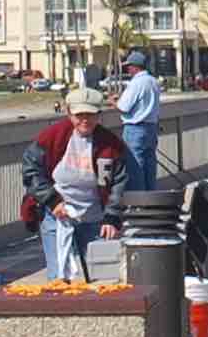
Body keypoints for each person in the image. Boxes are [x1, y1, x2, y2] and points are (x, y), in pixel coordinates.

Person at [24, 86, 129, 279]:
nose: (85, 120)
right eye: (79, 114)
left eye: (90, 114)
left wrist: (112, 217)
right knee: (60, 276)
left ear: (99, 115)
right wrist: (53, 201)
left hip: (95, 217)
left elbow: (119, 183)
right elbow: (32, 171)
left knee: (100, 277)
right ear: (68, 113)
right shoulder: (51, 137)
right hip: (58, 215)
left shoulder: (111, 144)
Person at [115, 48, 162, 191]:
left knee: (135, 166)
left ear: (134, 67)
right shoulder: (153, 81)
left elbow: (123, 107)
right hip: (151, 128)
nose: (128, 69)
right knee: (149, 166)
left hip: (135, 129)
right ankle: (150, 199)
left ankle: (139, 202)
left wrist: (113, 102)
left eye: (129, 66)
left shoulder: (136, 83)